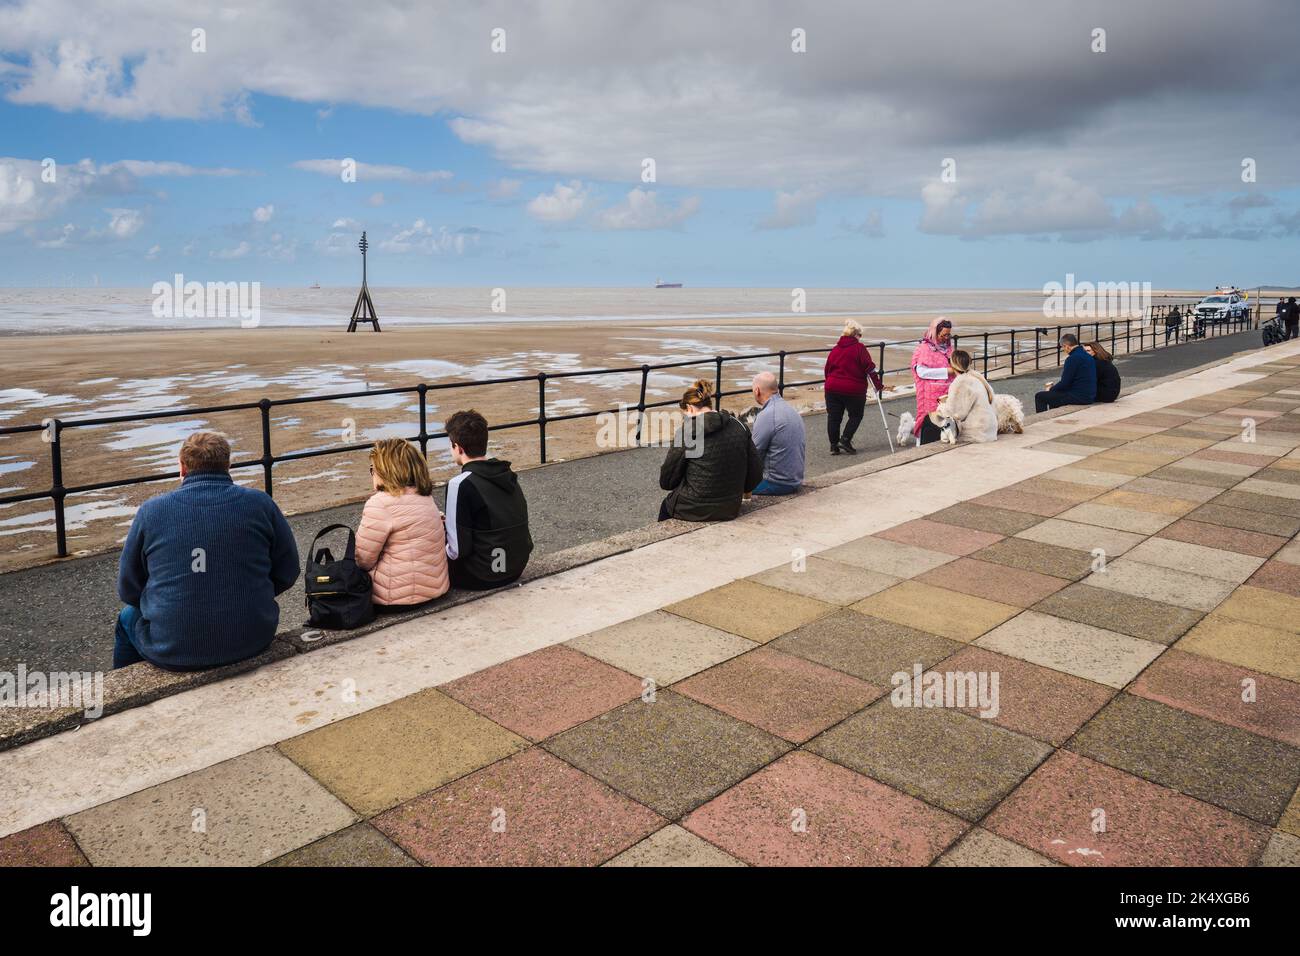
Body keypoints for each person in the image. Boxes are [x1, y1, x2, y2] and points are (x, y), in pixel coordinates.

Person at [114, 431, 299, 670]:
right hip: (253, 637)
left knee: (128, 617)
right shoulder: (260, 503)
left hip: (172, 649)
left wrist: (169, 601)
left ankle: (123, 691)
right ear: (228, 465)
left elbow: (128, 587)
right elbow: (288, 570)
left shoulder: (152, 511)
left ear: (182, 467)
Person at [354, 438, 449, 612]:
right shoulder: (426, 497)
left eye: (372, 469)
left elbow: (363, 561)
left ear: (384, 470)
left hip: (394, 600)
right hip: (435, 590)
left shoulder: (380, 504)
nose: (372, 474)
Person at [443, 409, 533, 590]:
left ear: (458, 448)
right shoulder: (507, 474)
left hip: (482, 575)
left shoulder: (459, 484)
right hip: (515, 567)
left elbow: (457, 551)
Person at [659, 379, 763, 521]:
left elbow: (667, 481)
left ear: (690, 408)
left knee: (666, 507)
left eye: (685, 415)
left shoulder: (687, 432)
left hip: (692, 507)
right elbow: (755, 475)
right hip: (731, 507)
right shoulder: (739, 425)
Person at [823, 320, 884, 455]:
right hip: (853, 389)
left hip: (832, 387)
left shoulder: (836, 349)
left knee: (833, 417)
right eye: (860, 335)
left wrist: (830, 383)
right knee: (856, 415)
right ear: (855, 334)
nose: (860, 338)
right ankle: (845, 440)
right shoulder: (859, 348)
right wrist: (878, 385)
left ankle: (834, 446)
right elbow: (870, 368)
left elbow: (827, 369)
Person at [749, 371, 805, 495]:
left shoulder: (767, 415)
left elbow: (754, 455)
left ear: (757, 391)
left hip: (776, 483)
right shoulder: (791, 410)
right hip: (795, 479)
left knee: (727, 487)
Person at [930, 350, 998, 443]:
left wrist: (942, 405)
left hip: (977, 432)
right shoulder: (977, 377)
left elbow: (956, 413)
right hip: (990, 429)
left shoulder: (960, 382)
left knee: (939, 413)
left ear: (952, 365)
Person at [911, 317, 955, 444]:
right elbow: (921, 371)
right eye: (943, 335)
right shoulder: (924, 348)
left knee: (946, 420)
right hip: (929, 393)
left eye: (948, 335)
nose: (946, 338)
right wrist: (947, 371)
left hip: (946, 393)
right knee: (928, 421)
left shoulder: (949, 349)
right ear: (936, 332)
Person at [1034, 334, 1097, 413]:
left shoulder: (1072, 358)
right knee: (1054, 395)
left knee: (1040, 396)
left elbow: (1065, 383)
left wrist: (1050, 389)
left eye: (1063, 347)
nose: (1064, 350)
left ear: (1067, 346)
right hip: (1089, 395)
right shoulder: (1088, 356)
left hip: (1079, 397)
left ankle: (1042, 419)